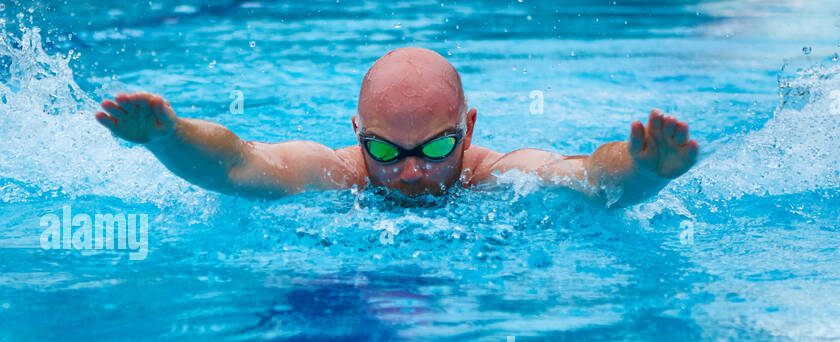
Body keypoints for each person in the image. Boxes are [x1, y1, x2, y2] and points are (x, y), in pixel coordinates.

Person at [95, 46, 698, 206]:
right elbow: (239, 163)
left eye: (436, 146)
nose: (411, 171)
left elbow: (589, 177)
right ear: (357, 132)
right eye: (384, 149)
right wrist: (170, 139)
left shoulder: (496, 176)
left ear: (469, 129)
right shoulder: (337, 174)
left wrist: (644, 170)